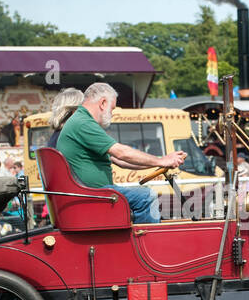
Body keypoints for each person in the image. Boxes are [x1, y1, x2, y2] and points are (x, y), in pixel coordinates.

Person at [56, 82, 184, 224]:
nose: (112, 114)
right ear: (103, 103)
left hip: (93, 193)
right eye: (112, 109)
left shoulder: (81, 121)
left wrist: (160, 161)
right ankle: (147, 243)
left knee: (143, 195)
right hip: (94, 194)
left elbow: (121, 161)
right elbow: (121, 153)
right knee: (147, 196)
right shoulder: (83, 123)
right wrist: (162, 161)